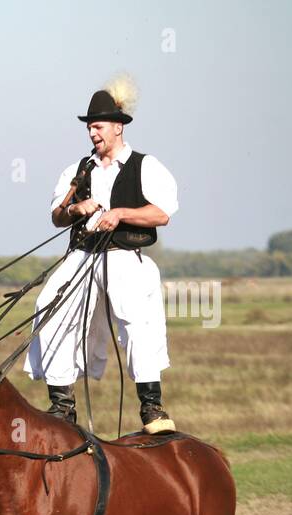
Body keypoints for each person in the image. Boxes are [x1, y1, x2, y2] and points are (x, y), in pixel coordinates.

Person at [24, 76, 179, 433]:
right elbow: (56, 216)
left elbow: (162, 213)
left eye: (98, 127)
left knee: (137, 321)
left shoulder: (145, 165)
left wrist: (120, 213)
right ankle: (62, 407)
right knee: (50, 307)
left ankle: (152, 408)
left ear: (118, 127)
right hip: (82, 255)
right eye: (90, 127)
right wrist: (76, 211)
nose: (92, 134)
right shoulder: (79, 170)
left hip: (125, 254)